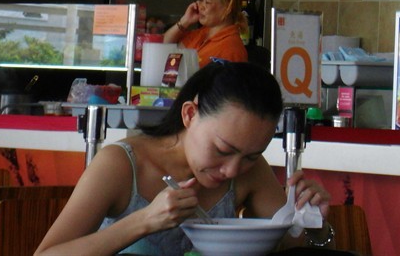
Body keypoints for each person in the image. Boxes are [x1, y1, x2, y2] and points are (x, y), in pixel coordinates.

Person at [36, 61, 334, 256]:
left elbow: (286, 247)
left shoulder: (250, 171)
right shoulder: (123, 165)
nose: (232, 169)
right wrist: (143, 221)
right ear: (190, 114)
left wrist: (310, 222)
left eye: (251, 156)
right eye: (222, 149)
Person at [164, 0, 248, 67]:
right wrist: (184, 21)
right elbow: (164, 48)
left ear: (227, 8)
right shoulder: (201, 34)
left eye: (207, 2)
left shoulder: (232, 49)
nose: (200, 6)